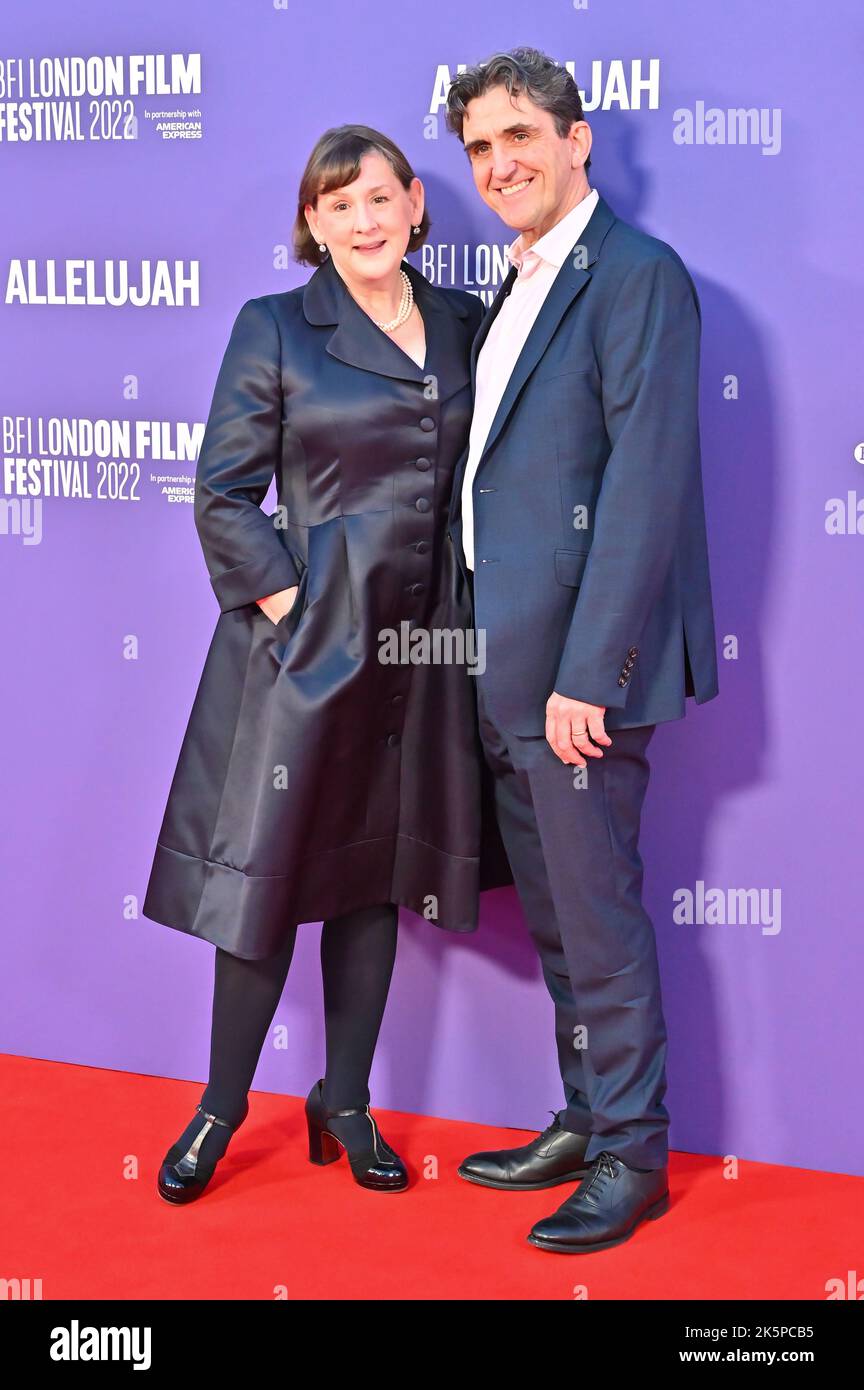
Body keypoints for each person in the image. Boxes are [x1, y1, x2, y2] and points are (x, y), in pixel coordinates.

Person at [142, 124, 508, 1203]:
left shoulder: (464, 324)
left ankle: (343, 1102)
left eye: (381, 198)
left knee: (376, 876)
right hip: (304, 653)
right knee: (265, 881)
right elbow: (222, 492)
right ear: (313, 223)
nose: (364, 220)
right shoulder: (275, 328)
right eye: (339, 204)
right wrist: (299, 602)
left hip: (427, 647)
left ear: (415, 210)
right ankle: (220, 1106)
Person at [444, 48, 719, 1252]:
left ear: (578, 137)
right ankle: (583, 1113)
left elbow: (645, 491)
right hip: (503, 667)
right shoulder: (518, 283)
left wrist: (583, 676)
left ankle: (632, 1156)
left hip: (574, 683)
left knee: (597, 916)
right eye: (480, 149)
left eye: (519, 137)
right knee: (555, 914)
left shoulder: (637, 277)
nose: (500, 164)